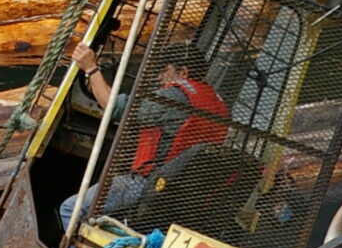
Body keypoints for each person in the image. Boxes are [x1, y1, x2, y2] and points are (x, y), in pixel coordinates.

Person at [59, 40, 229, 230]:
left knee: (71, 209)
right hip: (185, 196)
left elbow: (112, 106)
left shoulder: (177, 95)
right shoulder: (219, 106)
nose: (160, 77)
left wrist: (90, 68)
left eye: (165, 70)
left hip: (149, 184)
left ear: (182, 73)